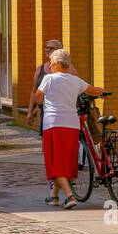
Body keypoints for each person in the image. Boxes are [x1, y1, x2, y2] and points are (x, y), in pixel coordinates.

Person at [33, 49, 104, 208]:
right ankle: (54, 195)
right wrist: (103, 91)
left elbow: (37, 96)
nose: (50, 66)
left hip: (53, 124)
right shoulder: (75, 80)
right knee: (65, 160)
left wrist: (42, 102)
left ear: (58, 64)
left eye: (51, 63)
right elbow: (93, 90)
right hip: (72, 125)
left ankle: (70, 196)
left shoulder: (49, 79)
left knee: (54, 162)